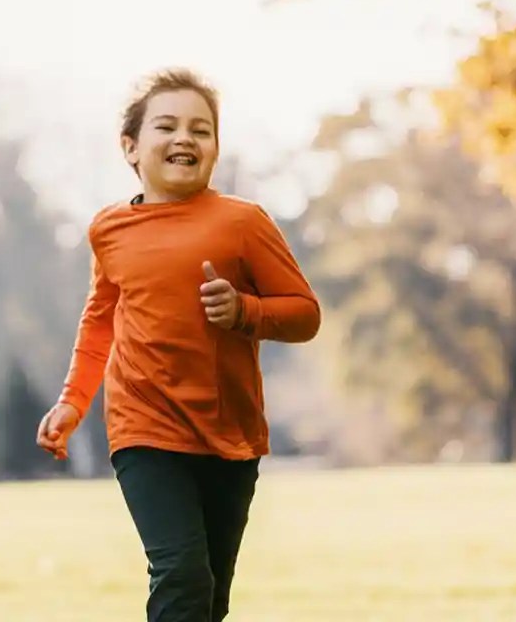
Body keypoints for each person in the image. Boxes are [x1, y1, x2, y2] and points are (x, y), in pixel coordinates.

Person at [35, 68, 321, 621]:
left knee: (209, 593)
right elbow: (101, 321)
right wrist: (74, 402)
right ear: (130, 147)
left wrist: (245, 311)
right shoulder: (108, 229)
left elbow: (304, 314)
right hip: (144, 426)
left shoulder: (243, 223)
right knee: (182, 573)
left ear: (215, 149)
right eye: (166, 126)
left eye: (201, 129)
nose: (185, 138)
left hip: (228, 431)